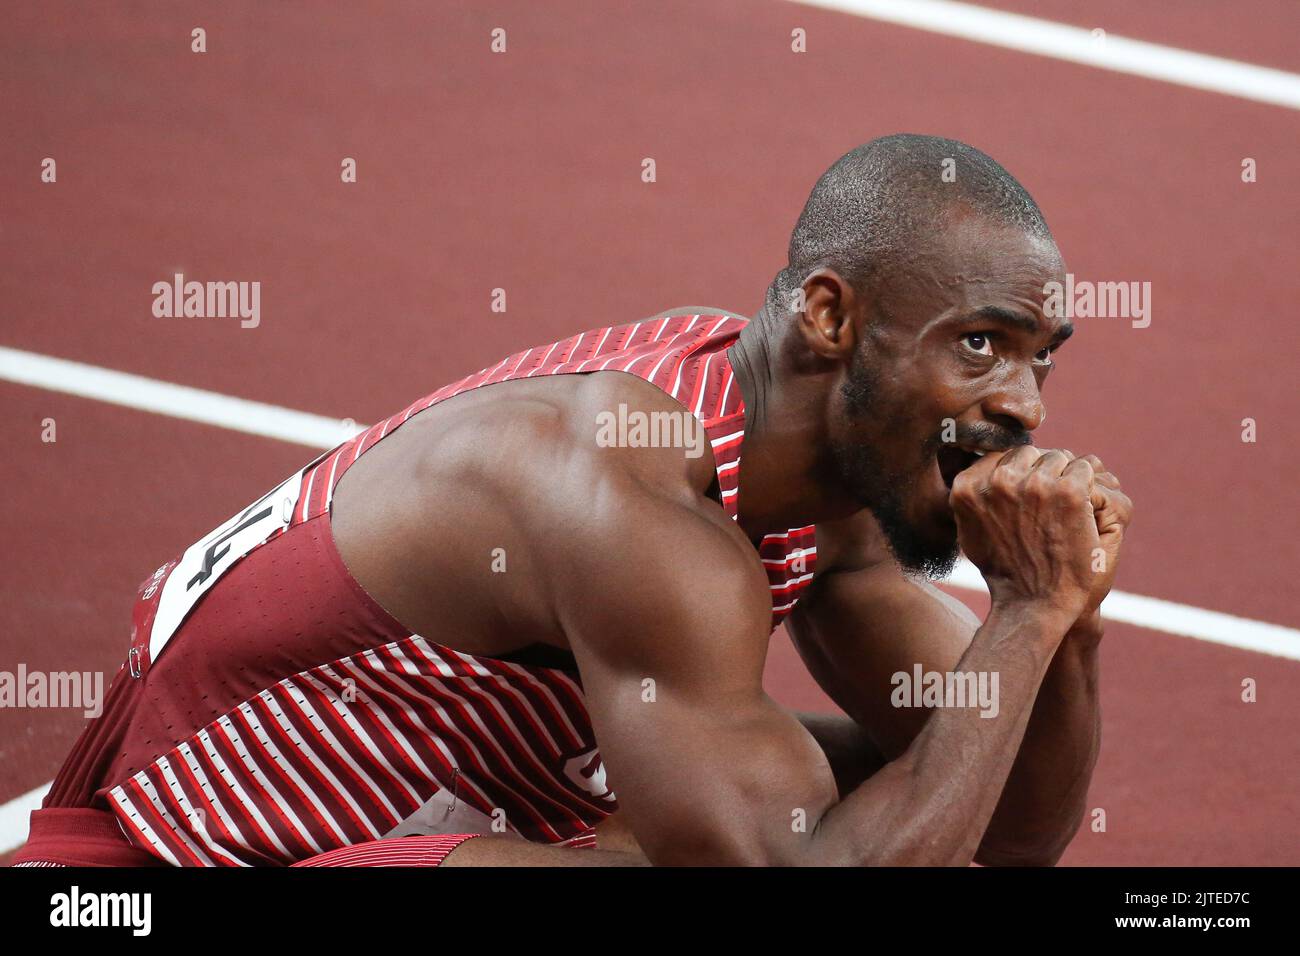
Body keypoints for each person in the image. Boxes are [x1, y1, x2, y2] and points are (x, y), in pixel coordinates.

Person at [13, 134, 1132, 867]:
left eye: (1040, 360)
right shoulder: (627, 496)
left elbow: (1010, 827)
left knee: (891, 772)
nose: (1022, 406)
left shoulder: (824, 470)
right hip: (141, 860)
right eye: (979, 346)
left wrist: (1060, 622)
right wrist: (1020, 618)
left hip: (434, 802)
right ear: (832, 319)